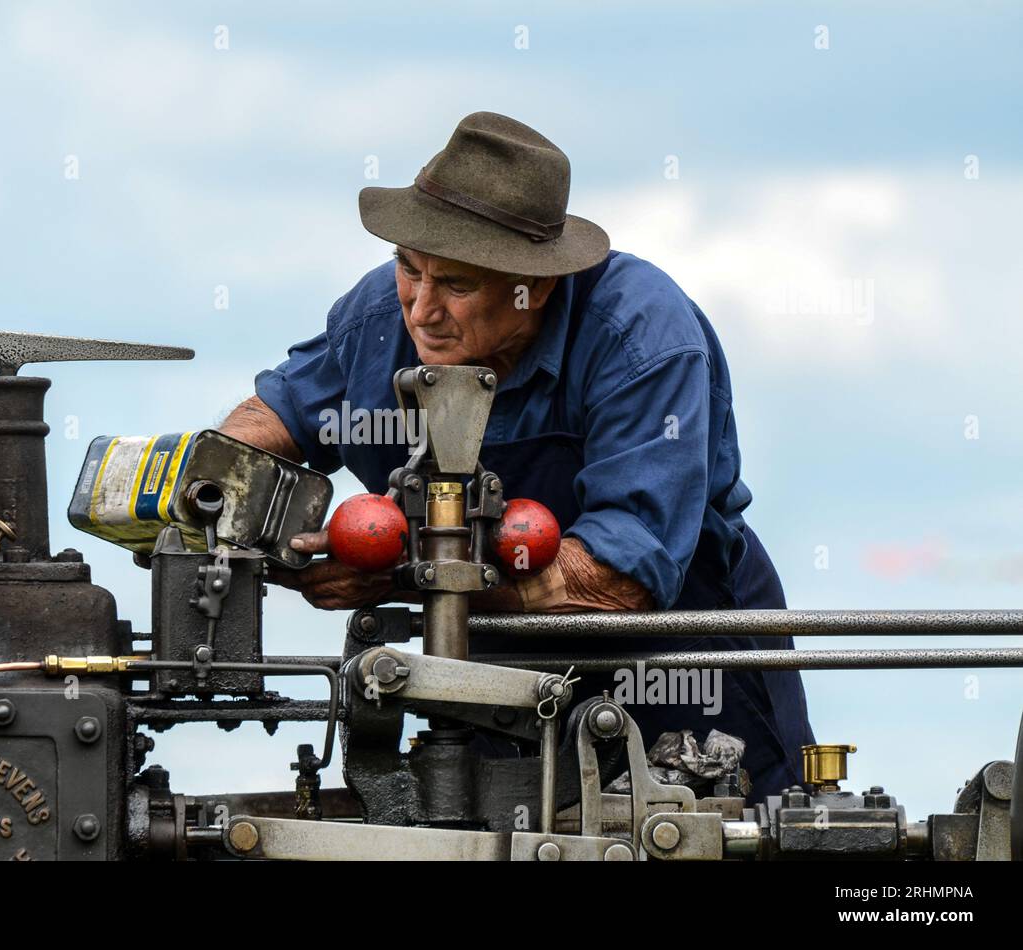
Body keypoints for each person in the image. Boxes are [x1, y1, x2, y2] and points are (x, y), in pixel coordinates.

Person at [218, 111, 814, 802]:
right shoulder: (381, 317)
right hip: (492, 680)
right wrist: (209, 481)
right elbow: (273, 416)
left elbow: (617, 581)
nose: (421, 310)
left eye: (458, 286)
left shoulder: (641, 336)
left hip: (675, 670)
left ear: (537, 284)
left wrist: (396, 579)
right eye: (409, 269)